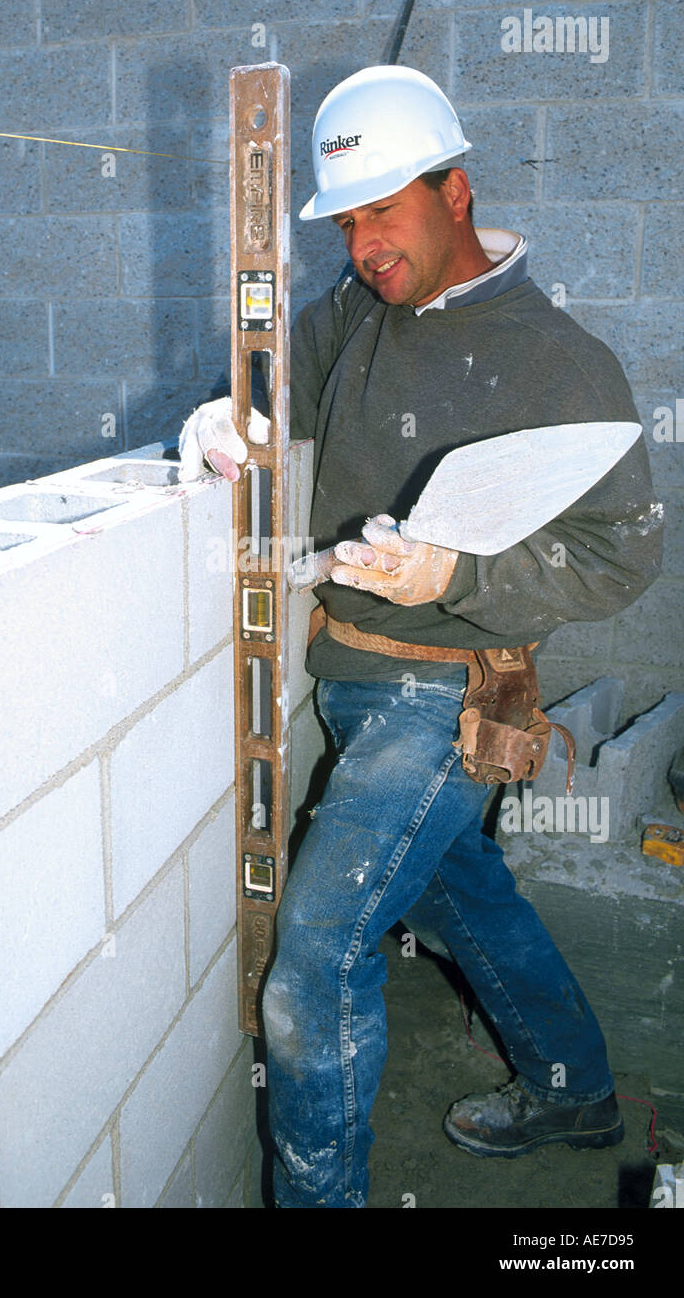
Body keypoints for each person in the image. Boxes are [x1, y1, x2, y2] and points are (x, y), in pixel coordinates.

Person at [178, 66, 663, 1208]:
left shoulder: (559, 359)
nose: (362, 248)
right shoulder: (355, 310)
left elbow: (620, 552)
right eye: (346, 224)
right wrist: (225, 414)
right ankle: (571, 1087)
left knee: (315, 954)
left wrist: (459, 572)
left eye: (381, 215)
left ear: (454, 192)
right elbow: (270, 390)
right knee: (459, 891)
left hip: (441, 697)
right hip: (348, 676)